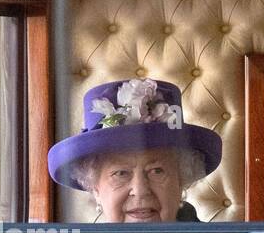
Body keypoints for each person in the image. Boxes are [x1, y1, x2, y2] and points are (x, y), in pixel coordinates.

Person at [48, 77, 222, 223]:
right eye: (121, 173)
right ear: (96, 190)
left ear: (181, 181)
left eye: (157, 171)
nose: (140, 190)